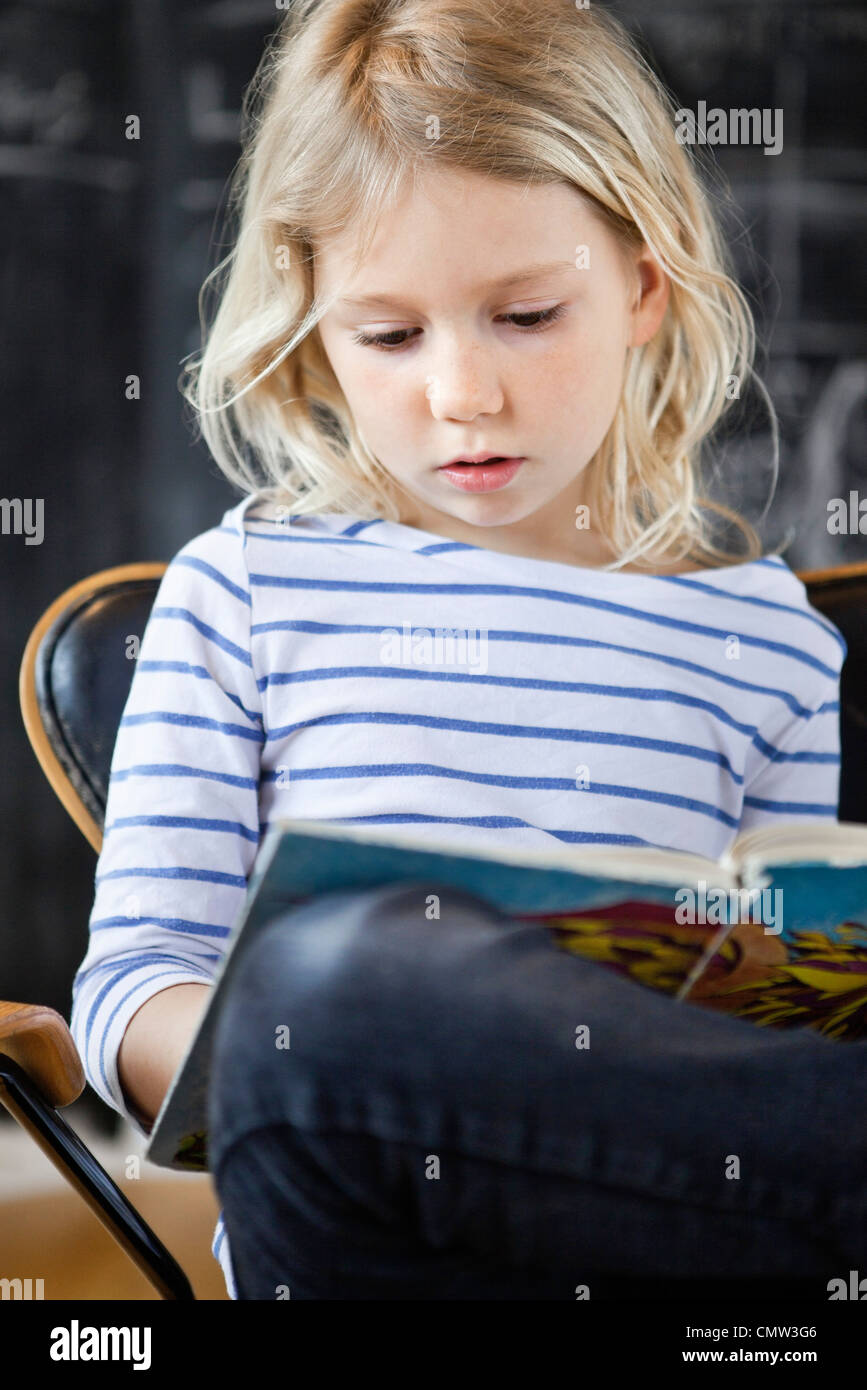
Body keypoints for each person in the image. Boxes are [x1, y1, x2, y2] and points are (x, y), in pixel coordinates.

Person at [70, 0, 863, 1300]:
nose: (462, 393)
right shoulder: (246, 594)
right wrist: (343, 1040)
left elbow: (774, 1041)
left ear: (646, 282)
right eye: (388, 335)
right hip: (364, 1233)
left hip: (664, 1238)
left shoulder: (761, 635)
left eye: (527, 315)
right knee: (347, 980)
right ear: (314, 329)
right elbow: (132, 993)